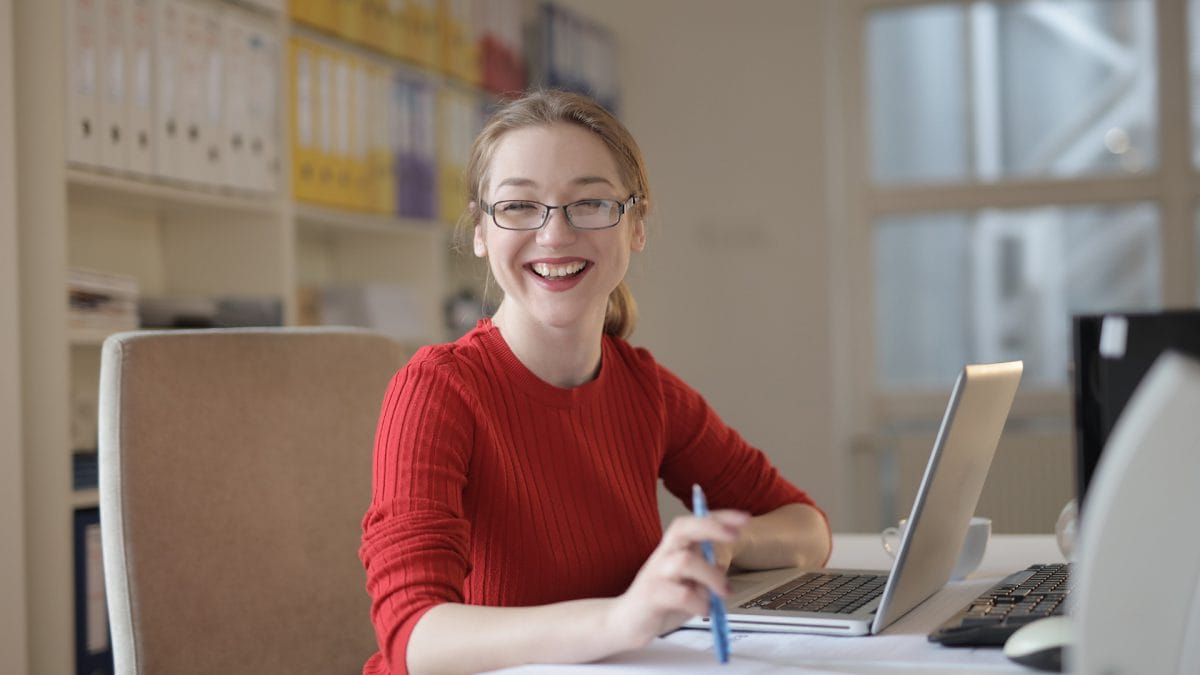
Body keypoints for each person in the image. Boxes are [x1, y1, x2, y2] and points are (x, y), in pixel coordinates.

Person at [359, 89, 832, 675]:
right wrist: (621, 619)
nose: (555, 235)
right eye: (519, 206)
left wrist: (728, 544)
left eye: (590, 204)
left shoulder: (645, 389)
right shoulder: (435, 390)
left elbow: (806, 528)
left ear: (636, 226)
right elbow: (414, 637)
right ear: (481, 230)